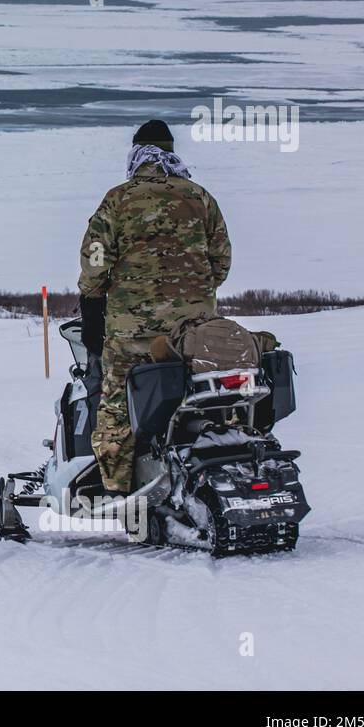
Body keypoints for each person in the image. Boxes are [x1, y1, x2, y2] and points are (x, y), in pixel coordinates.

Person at [77, 119, 232, 494]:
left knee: (117, 405)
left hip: (133, 332)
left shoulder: (118, 199)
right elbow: (221, 260)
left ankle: (118, 492)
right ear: (171, 152)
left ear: (136, 154)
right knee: (201, 393)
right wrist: (195, 295)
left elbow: (95, 258)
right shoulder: (200, 197)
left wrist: (93, 300)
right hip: (194, 331)